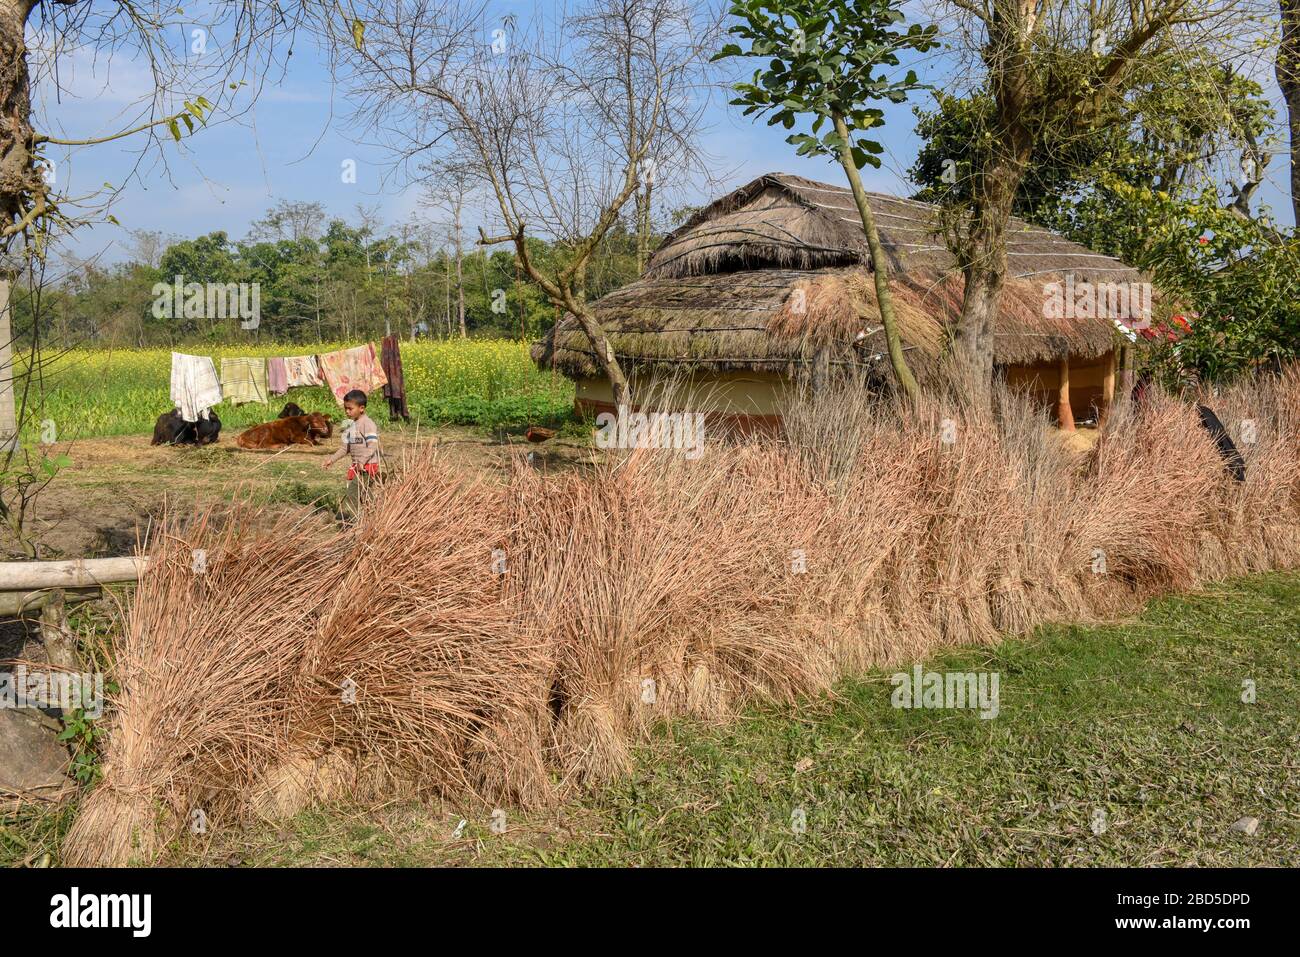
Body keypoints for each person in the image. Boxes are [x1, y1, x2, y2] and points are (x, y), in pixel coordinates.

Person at [323, 389, 380, 522]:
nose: (347, 412)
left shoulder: (368, 424)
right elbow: (345, 448)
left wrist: (362, 461)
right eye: (346, 409)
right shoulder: (351, 426)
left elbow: (372, 445)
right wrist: (331, 460)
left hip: (367, 466)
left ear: (361, 408)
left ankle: (355, 523)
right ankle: (375, 515)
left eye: (350, 409)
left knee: (353, 493)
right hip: (358, 466)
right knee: (364, 493)